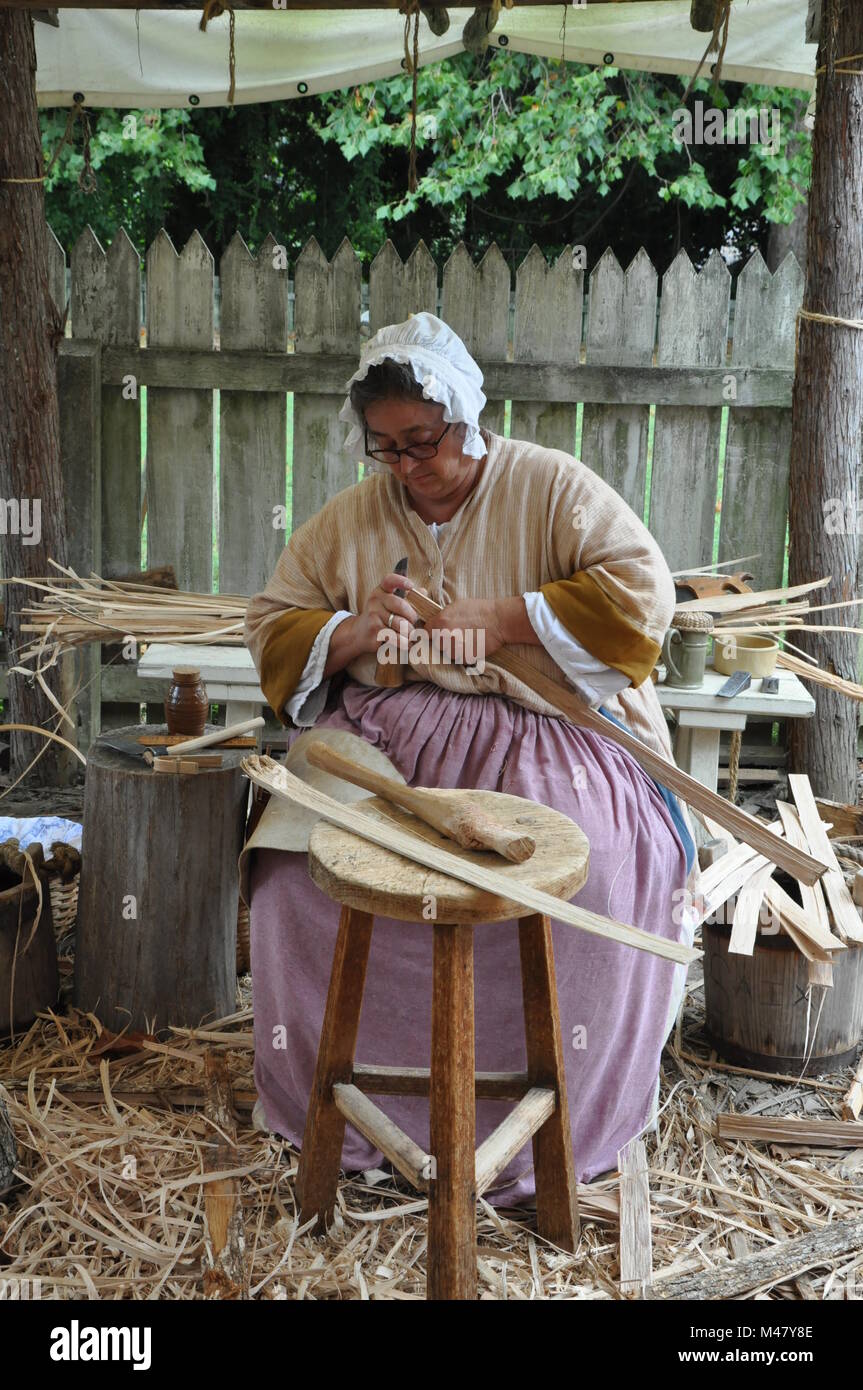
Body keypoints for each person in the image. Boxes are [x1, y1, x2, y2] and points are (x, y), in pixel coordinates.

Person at [243, 311, 696, 1199]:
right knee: (295, 876)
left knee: (594, 876)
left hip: (548, 726)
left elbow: (644, 595)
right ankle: (347, 1108)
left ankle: (556, 1124)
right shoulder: (351, 518)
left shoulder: (549, 486)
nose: (412, 468)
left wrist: (499, 616)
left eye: (426, 441)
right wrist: (353, 630)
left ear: (468, 416)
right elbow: (269, 621)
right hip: (385, 735)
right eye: (386, 449)